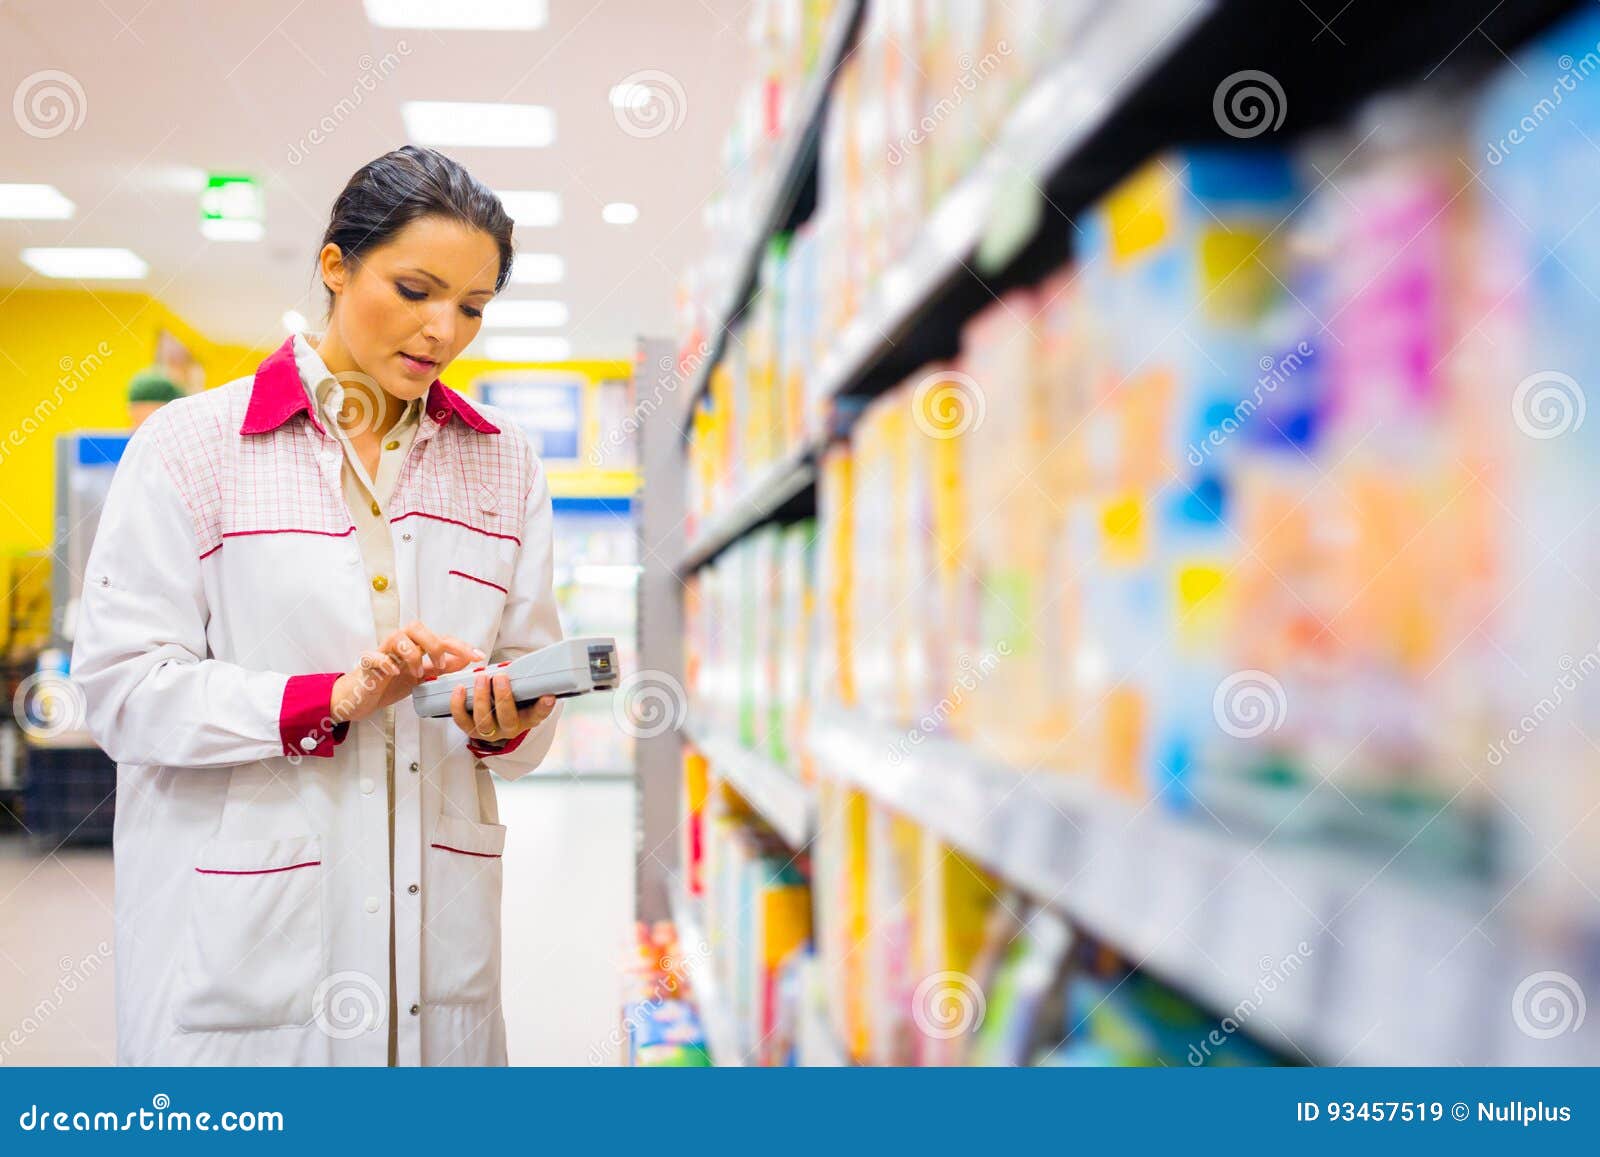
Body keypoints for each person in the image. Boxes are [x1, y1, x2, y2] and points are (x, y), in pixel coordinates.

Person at [70, 145, 564, 1066]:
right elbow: (120, 690)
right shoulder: (195, 446)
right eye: (414, 289)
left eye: (472, 306)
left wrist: (509, 716)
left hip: (438, 951)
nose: (442, 331)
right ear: (336, 265)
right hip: (243, 959)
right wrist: (321, 700)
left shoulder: (506, 463)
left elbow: (532, 725)